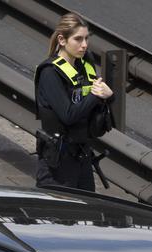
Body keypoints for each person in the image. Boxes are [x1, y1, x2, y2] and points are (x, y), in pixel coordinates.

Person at [34, 12, 115, 190]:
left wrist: (109, 96)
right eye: (78, 39)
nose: (84, 45)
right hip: (58, 162)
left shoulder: (85, 65)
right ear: (62, 40)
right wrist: (95, 95)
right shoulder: (50, 73)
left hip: (82, 155)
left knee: (89, 213)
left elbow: (94, 109)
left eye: (86, 38)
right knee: (60, 216)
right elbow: (68, 115)